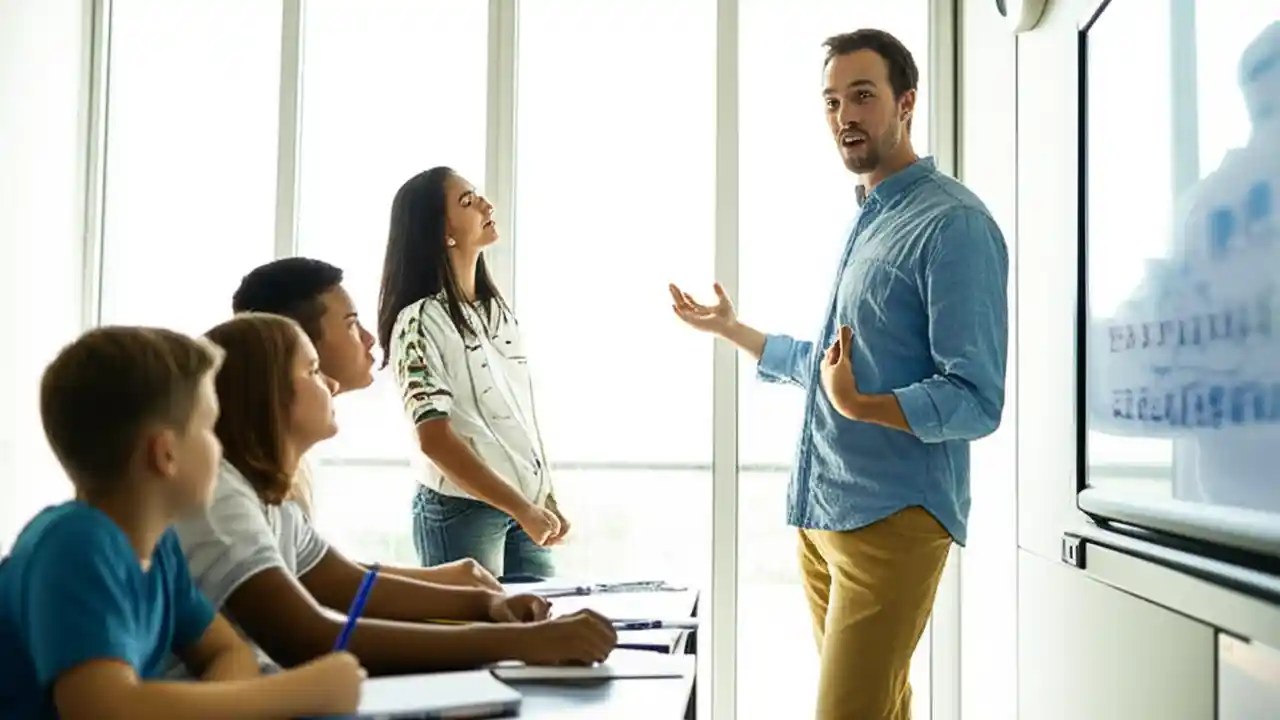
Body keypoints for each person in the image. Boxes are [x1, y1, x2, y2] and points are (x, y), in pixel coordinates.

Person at [671, 29, 1008, 719]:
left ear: (905, 103)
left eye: (862, 96)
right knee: (883, 709)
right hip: (821, 518)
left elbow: (976, 398)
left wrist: (864, 407)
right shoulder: (872, 220)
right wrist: (733, 329)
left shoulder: (953, 224)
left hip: (892, 521)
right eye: (831, 102)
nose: (844, 116)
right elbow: (833, 370)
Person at [172, 313, 615, 677]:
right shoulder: (221, 498)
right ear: (268, 395)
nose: (331, 384)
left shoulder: (271, 499)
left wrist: (487, 604)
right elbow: (308, 637)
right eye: (311, 371)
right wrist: (521, 642)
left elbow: (349, 586)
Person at [0, 326, 364, 719]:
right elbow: (107, 709)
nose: (218, 447)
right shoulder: (75, 547)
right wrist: (298, 692)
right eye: (209, 428)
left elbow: (227, 651)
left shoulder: (159, 549)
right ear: (166, 454)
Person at [232, 256, 504, 592]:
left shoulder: (288, 456)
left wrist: (452, 582)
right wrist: (465, 597)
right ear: (292, 340)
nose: (369, 338)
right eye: (351, 324)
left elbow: (319, 573)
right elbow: (312, 596)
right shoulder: (249, 473)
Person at [376, 167, 568, 578]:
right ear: (442, 231)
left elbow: (520, 413)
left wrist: (542, 494)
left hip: (523, 506)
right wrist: (521, 506)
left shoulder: (497, 313)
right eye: (467, 201)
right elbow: (434, 439)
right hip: (462, 511)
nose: (486, 205)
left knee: (540, 618)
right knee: (475, 621)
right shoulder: (419, 321)